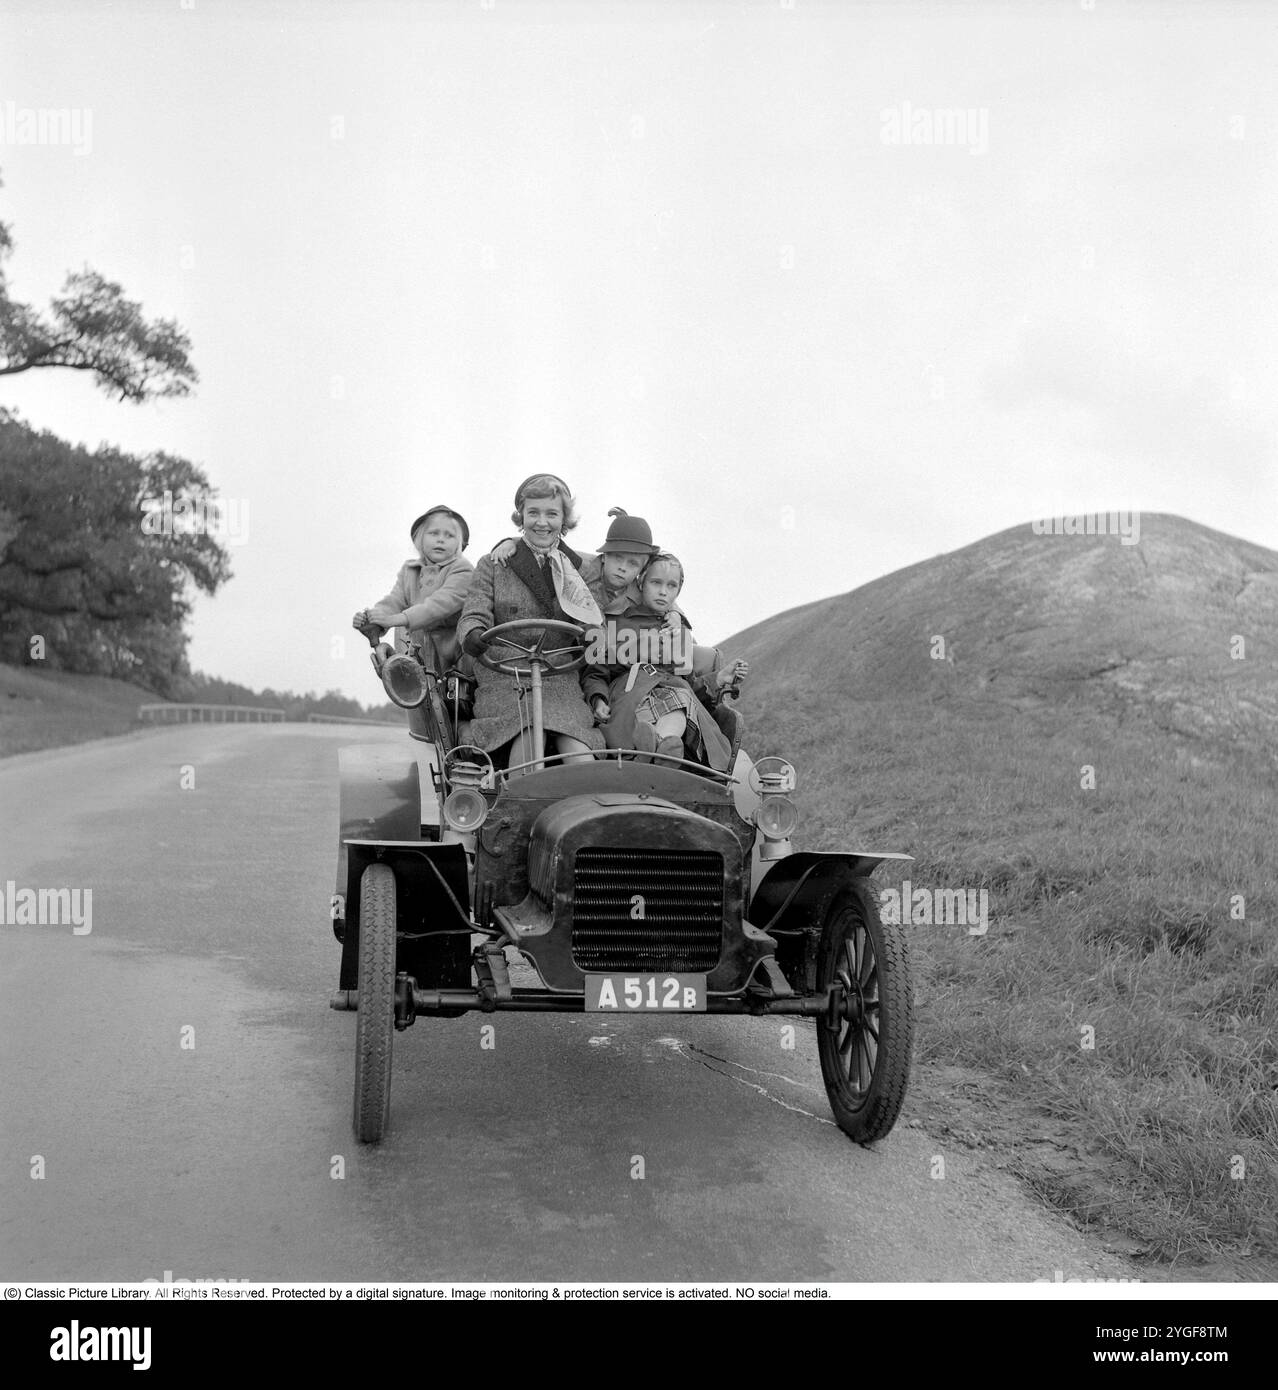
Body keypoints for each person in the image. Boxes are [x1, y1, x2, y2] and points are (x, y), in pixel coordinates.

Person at [456, 474, 605, 770]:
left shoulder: (583, 569)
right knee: (528, 728)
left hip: (558, 673)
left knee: (577, 744)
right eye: (533, 512)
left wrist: (592, 636)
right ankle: (518, 800)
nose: (542, 522)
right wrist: (473, 633)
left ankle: (585, 802)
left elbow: (593, 618)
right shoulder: (494, 563)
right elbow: (474, 611)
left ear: (564, 520)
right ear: (521, 516)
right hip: (505, 672)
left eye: (552, 513)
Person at [583, 551, 748, 769]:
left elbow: (690, 685)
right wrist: (598, 698)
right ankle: (655, 749)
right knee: (675, 699)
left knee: (679, 698)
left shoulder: (678, 632)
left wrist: (718, 679)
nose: (663, 592)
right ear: (641, 582)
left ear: (678, 591)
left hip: (674, 698)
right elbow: (596, 670)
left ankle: (660, 747)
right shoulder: (617, 621)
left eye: (671, 586)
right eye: (656, 583)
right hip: (630, 696)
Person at [352, 505, 473, 669]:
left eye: (449, 535)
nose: (440, 539)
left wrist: (394, 619)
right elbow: (394, 600)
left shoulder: (463, 569)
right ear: (420, 539)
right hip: (419, 653)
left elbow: (437, 606)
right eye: (433, 533)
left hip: (456, 655)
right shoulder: (410, 570)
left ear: (460, 544)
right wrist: (374, 620)